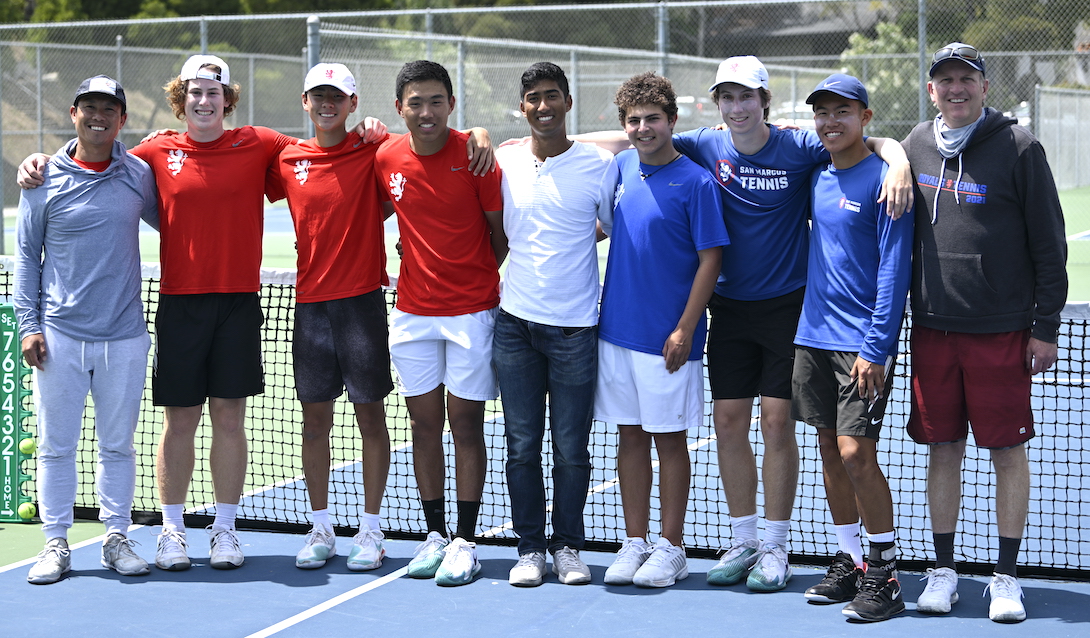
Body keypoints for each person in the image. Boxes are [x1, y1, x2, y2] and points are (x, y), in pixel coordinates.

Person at [579, 55, 912, 592]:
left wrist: (896, 159)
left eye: (746, 97)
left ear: (764, 102)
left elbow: (862, 140)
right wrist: (528, 141)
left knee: (778, 425)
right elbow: (634, 134)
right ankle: (744, 540)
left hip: (789, 308)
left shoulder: (800, 146)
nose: (737, 108)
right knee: (729, 424)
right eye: (727, 98)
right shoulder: (705, 145)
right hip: (728, 308)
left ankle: (776, 547)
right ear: (717, 105)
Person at [906, 43, 1067, 624]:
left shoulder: (1020, 146)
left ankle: (1006, 577)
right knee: (943, 450)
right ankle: (944, 571)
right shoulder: (913, 145)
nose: (956, 89)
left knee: (1006, 452)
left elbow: (1049, 243)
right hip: (932, 329)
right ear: (931, 90)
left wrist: (1045, 327)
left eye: (966, 79)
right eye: (945, 80)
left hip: (1001, 331)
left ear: (984, 86)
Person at [15, 75, 159, 584]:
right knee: (56, 446)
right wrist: (29, 326)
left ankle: (116, 538)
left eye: (109, 109)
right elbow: (26, 257)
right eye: (89, 107)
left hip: (125, 336)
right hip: (59, 337)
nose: (98, 116)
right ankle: (55, 542)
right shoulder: (42, 178)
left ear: (122, 119)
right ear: (74, 114)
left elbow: (180, 218)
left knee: (118, 445)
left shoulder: (139, 174)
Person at [376, 60, 506, 587]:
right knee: (423, 426)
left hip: (472, 314)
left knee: (465, 425)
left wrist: (470, 281)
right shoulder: (386, 157)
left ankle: (465, 542)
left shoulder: (476, 157)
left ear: (451, 105)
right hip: (411, 314)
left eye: (436, 101)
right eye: (416, 103)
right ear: (400, 108)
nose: (426, 112)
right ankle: (434, 535)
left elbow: (499, 237)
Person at [596, 72, 727, 589]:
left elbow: (711, 259)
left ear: (672, 121)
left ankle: (671, 547)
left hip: (668, 339)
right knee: (629, 436)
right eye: (634, 120)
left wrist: (685, 329)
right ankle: (635, 541)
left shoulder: (696, 182)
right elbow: (606, 227)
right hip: (615, 332)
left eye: (653, 118)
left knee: (669, 442)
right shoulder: (621, 167)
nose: (643, 128)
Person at [791, 74, 913, 622]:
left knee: (855, 453)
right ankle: (851, 559)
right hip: (811, 338)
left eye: (843, 111)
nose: (830, 121)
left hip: (861, 344)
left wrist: (877, 347)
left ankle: (885, 573)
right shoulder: (815, 175)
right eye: (822, 112)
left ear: (865, 117)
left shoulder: (888, 179)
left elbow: (894, 270)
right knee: (827, 449)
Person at [493, 61, 618, 587]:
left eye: (552, 96)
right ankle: (529, 550)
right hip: (514, 327)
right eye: (533, 98)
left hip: (575, 331)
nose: (543, 106)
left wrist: (573, 239)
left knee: (571, 450)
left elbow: (609, 226)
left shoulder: (599, 165)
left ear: (567, 101)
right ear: (522, 108)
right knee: (521, 446)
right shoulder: (502, 159)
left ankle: (567, 546)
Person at [267, 63, 393, 571]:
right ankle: (320, 528)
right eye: (318, 96)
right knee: (314, 423)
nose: (327, 104)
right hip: (311, 308)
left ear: (352, 104)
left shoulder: (374, 149)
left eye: (337, 97)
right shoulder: (287, 159)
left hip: (362, 303)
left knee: (371, 419)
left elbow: (418, 150)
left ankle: (371, 530)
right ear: (305, 101)